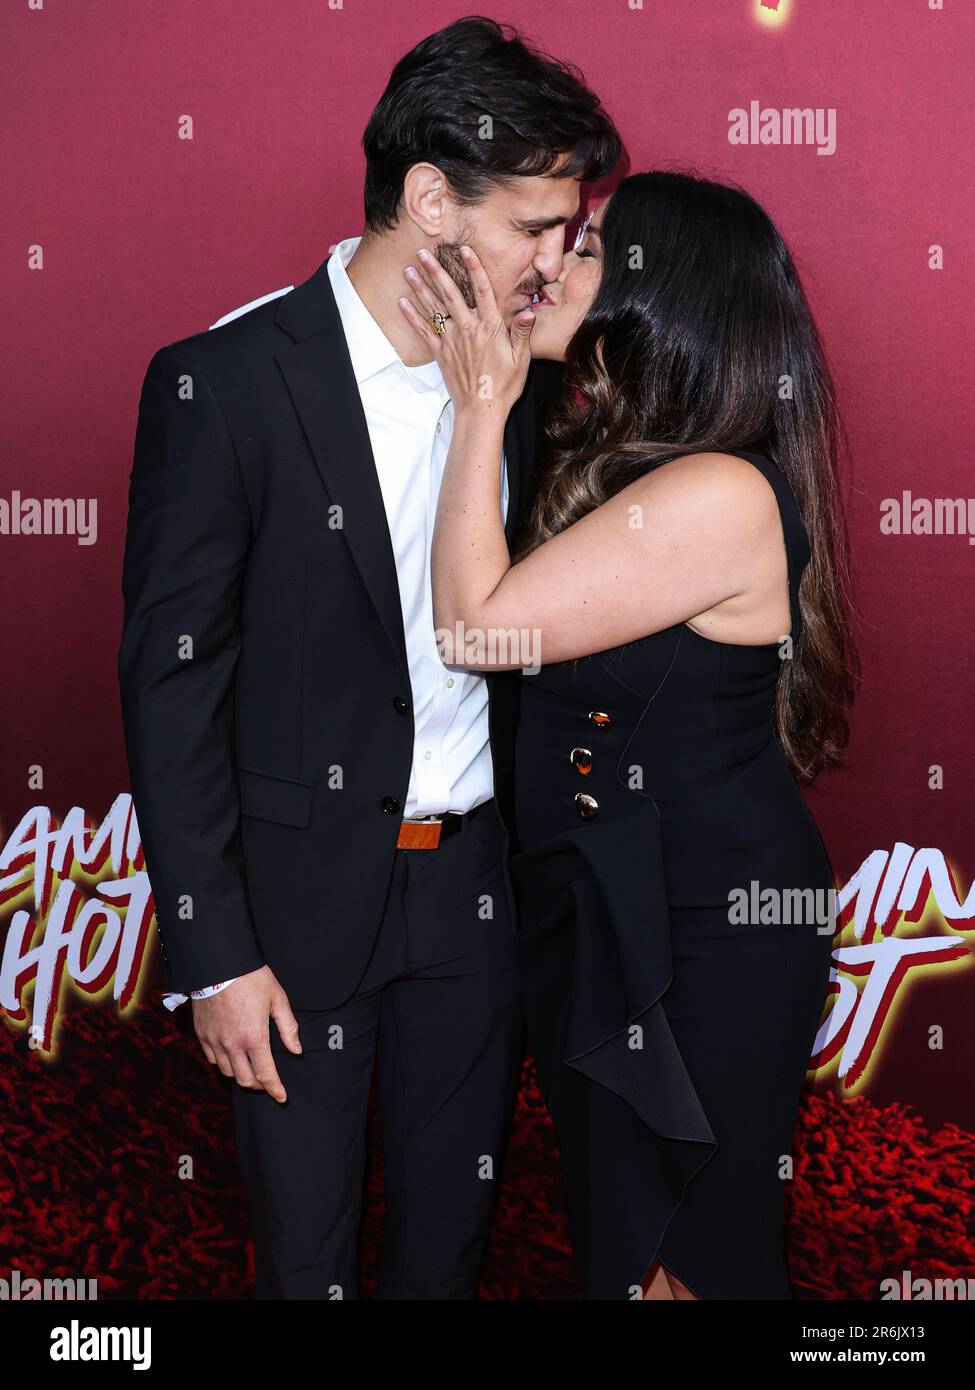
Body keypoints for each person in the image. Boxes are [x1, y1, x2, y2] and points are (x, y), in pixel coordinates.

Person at [117, 16, 621, 1299]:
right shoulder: (225, 385)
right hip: (290, 914)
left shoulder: (527, 388)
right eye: (535, 227)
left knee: (449, 1256)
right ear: (430, 197)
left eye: (572, 232)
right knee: (305, 1260)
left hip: (474, 899)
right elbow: (171, 688)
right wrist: (216, 955)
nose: (556, 264)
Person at [397, 171, 857, 1300]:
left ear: (671, 298)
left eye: (590, 248)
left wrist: (479, 403)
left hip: (706, 934)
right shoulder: (622, 471)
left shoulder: (718, 490)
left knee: (683, 1261)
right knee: (629, 1253)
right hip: (606, 914)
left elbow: (476, 628)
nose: (552, 264)